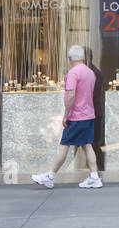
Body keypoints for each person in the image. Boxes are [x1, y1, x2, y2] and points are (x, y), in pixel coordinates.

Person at [31, 45, 105, 189]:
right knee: (87, 145)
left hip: (77, 116)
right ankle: (95, 177)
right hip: (89, 114)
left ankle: (50, 176)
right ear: (82, 57)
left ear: (70, 58)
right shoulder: (90, 73)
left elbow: (71, 95)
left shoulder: (73, 73)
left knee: (64, 145)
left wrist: (65, 115)